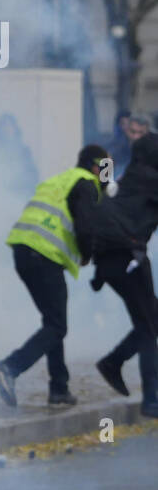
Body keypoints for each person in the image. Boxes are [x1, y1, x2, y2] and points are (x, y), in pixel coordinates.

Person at [0, 145, 106, 408]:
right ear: (97, 167)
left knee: (52, 322)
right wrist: (88, 254)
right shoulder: (87, 183)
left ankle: (59, 388)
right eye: (105, 169)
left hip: (24, 250)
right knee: (57, 325)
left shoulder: (60, 180)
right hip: (44, 255)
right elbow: (86, 226)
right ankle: (8, 368)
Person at [88, 132, 158, 418]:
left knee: (152, 318)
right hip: (129, 258)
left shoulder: (128, 178)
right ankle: (151, 400)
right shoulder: (152, 181)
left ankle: (113, 362)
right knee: (148, 328)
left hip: (108, 262)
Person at [0, 112, 38, 202]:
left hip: (21, 199)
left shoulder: (25, 152)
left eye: (10, 126)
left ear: (15, 129)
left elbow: (33, 177)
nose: (7, 129)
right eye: (4, 126)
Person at [104, 109, 131, 177]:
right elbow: (105, 175)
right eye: (123, 124)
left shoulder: (139, 144)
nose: (126, 127)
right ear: (118, 125)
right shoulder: (113, 145)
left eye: (129, 124)